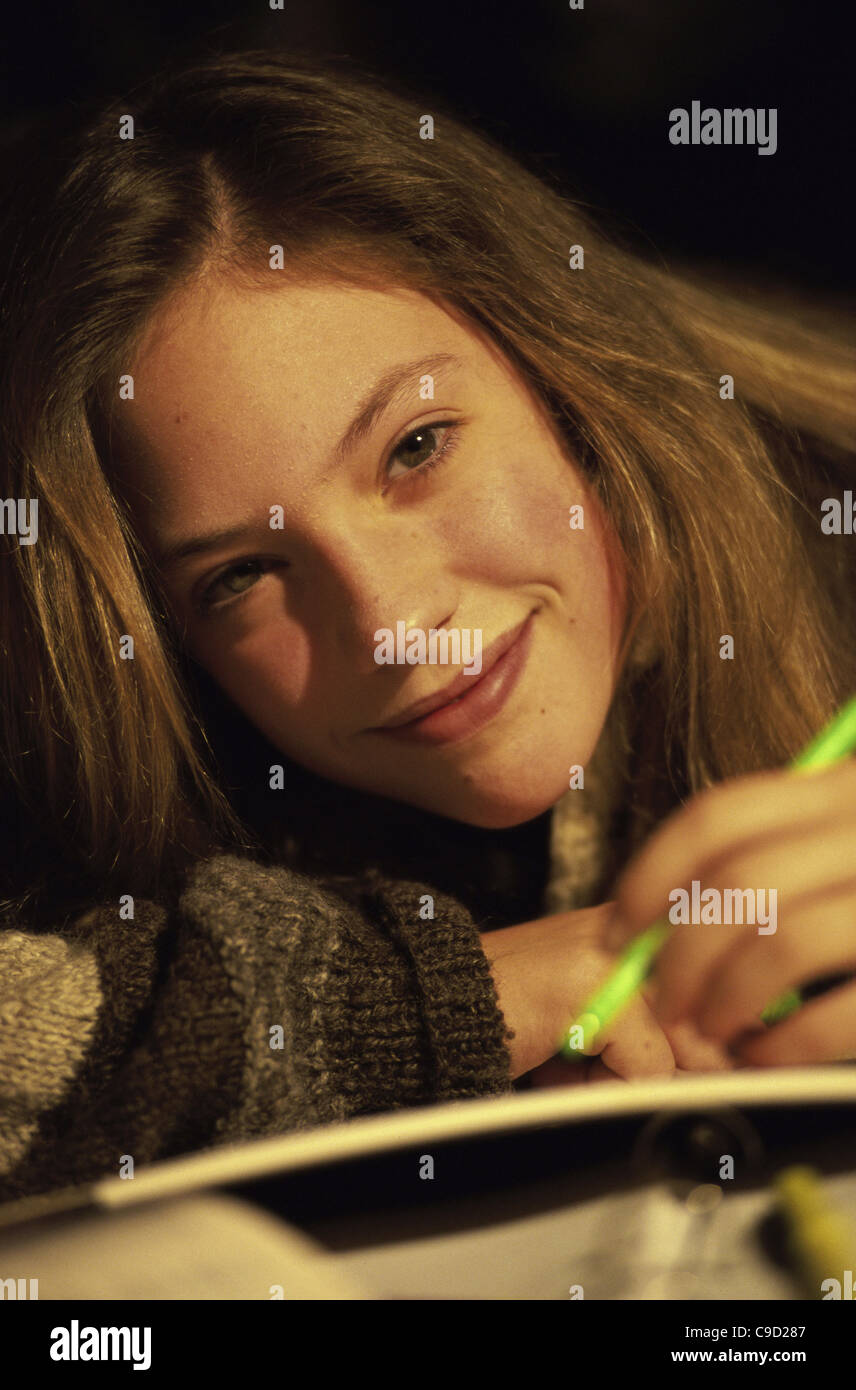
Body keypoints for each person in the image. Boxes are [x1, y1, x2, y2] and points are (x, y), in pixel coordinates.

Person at [1, 49, 854, 1203]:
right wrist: (434, 1005)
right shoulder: (155, 805)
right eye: (242, 574)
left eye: (416, 447)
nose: (395, 622)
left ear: (562, 367)